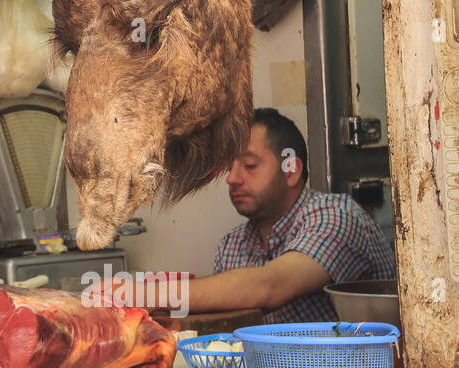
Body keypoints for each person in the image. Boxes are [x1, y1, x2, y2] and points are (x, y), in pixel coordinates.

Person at [94, 108, 395, 322]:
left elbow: (269, 287)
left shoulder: (337, 217)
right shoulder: (233, 245)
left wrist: (141, 294)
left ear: (291, 170)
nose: (232, 178)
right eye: (230, 167)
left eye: (249, 166)